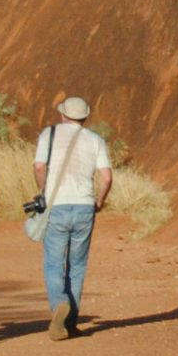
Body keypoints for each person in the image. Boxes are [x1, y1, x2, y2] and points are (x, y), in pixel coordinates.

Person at [33, 96, 112, 340]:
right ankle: (71, 323)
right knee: (76, 266)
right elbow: (107, 177)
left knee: (53, 263)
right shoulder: (95, 139)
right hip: (85, 205)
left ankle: (59, 303)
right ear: (85, 117)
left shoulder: (49, 134)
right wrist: (99, 200)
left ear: (63, 115)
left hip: (57, 204)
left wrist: (43, 191)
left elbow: (38, 167)